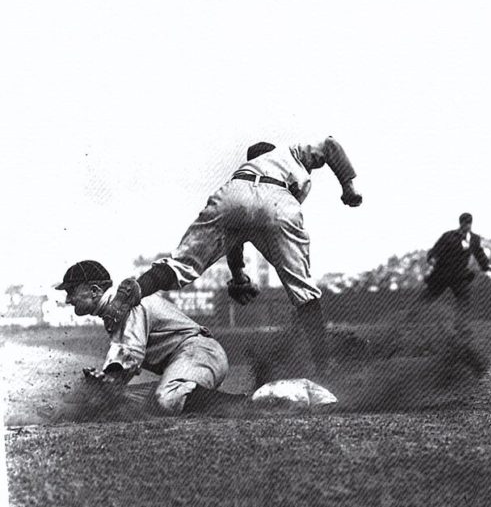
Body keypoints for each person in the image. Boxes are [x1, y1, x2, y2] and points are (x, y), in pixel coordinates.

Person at [99, 137, 363, 386]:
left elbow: (234, 239)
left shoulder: (245, 170)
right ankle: (323, 367)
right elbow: (330, 144)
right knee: (304, 291)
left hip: (231, 197)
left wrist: (238, 278)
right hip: (278, 200)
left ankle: (136, 289)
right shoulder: (289, 153)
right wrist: (348, 186)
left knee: (182, 263)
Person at [55, 260, 243, 415]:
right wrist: (101, 385)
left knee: (167, 399)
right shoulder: (114, 310)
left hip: (199, 352)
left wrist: (106, 383)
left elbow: (131, 354)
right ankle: (196, 394)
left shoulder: (127, 304)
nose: (68, 299)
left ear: (95, 290)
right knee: (126, 402)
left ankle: (245, 404)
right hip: (186, 361)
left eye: (71, 291)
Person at [422, 213, 491, 312]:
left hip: (459, 275)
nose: (467, 226)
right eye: (465, 223)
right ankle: (413, 319)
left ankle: (461, 325)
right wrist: (432, 258)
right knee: (428, 297)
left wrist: (486, 267)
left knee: (464, 298)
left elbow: (479, 254)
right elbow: (435, 250)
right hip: (442, 272)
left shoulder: (474, 239)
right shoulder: (448, 236)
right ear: (461, 223)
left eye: (469, 223)